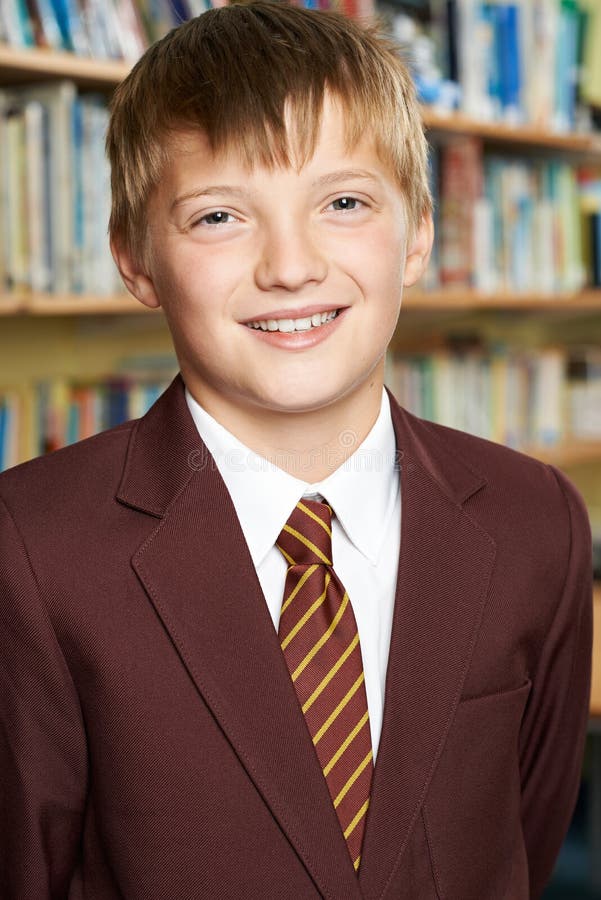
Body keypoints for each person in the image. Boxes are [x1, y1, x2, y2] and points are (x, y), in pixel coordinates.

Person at [0, 3, 593, 898]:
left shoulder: (534, 518)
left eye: (344, 203)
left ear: (419, 234)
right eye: (217, 218)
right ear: (136, 259)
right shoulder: (32, 548)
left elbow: (527, 825)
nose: (290, 265)